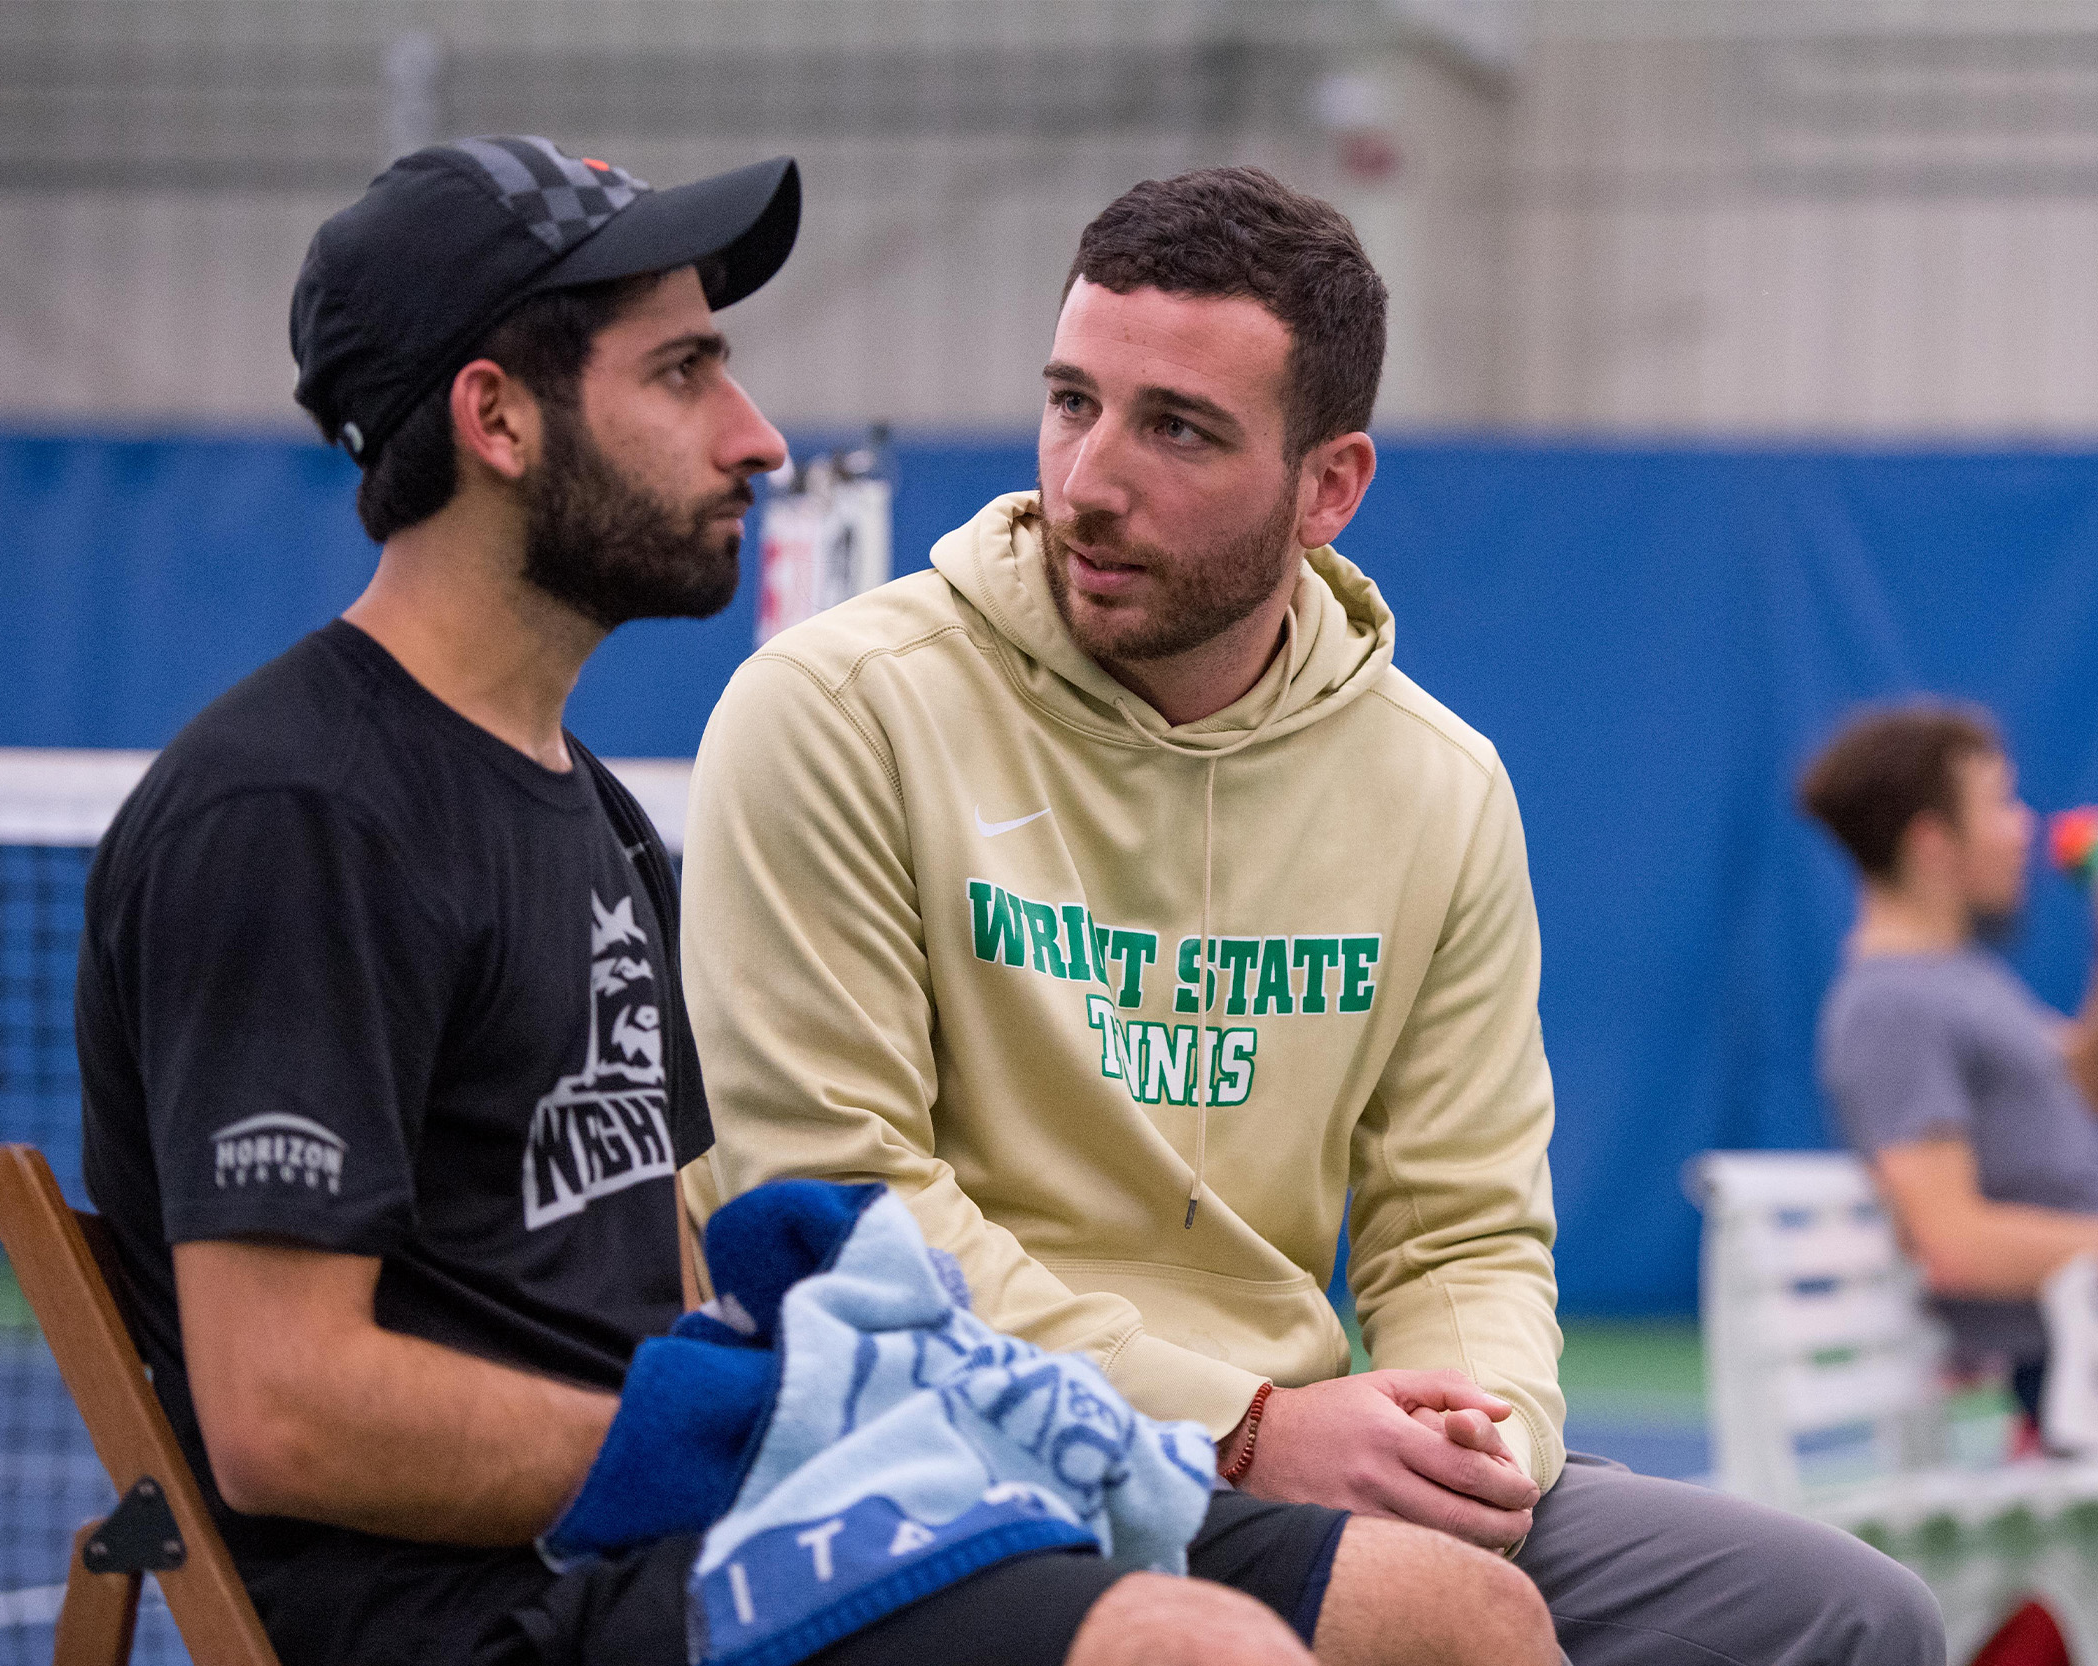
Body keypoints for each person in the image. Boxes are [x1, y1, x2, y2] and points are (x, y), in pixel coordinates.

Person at [76, 137, 1532, 1666]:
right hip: (505, 1605)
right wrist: (766, 1436)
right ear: (496, 417)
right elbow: (284, 1416)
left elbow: (684, 1277)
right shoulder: (299, 816)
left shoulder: (590, 816)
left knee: (1455, 1610)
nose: (759, 438)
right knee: (1194, 1650)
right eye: (686, 373)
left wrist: (886, 1395)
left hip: (685, 1540)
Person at [680, 163, 1945, 1664]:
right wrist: (1236, 1424)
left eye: (1178, 429)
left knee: (1851, 1614)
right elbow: (838, 1201)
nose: (1089, 479)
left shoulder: (1438, 784)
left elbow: (1461, 1225)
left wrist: (1474, 1441)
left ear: (1328, 486)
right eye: (1074, 400)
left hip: (1303, 1456)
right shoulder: (834, 710)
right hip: (949, 1450)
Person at [1799, 700, 2098, 1422]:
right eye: (2000, 805)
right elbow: (1952, 1243)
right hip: (2084, 1364)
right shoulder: (1889, 1007)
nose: (2025, 830)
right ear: (1931, 844)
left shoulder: (1957, 976)